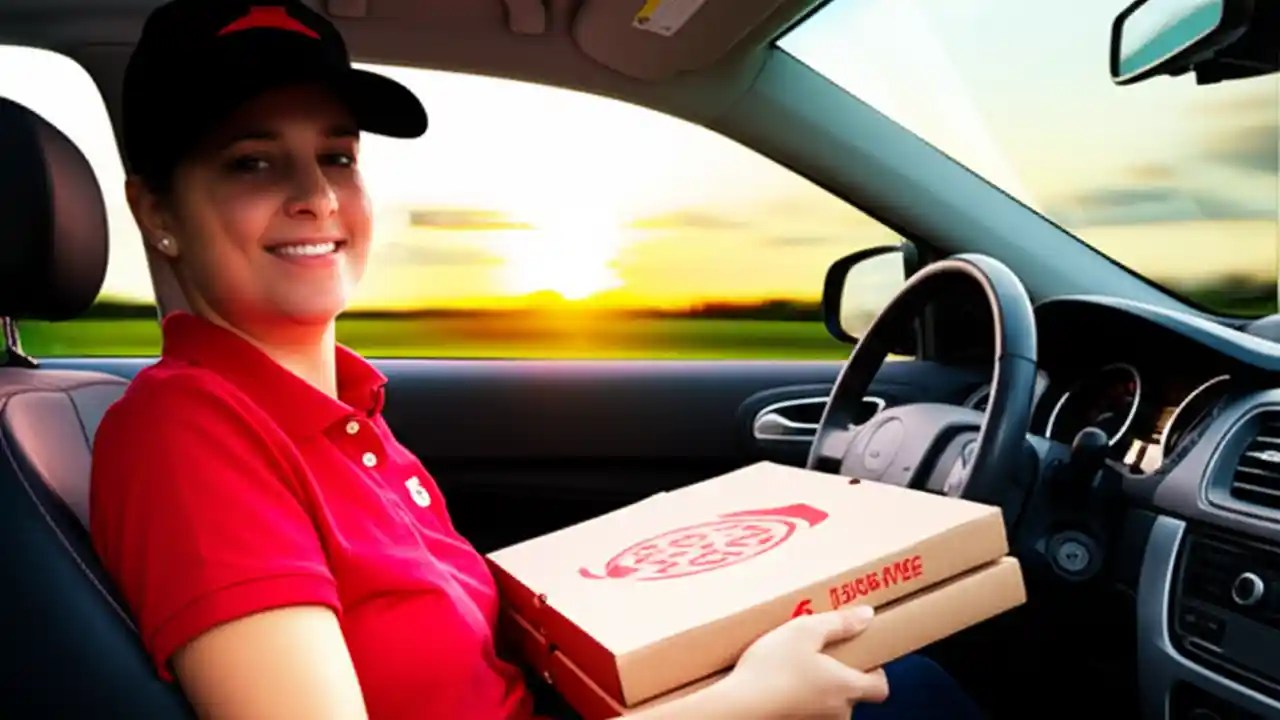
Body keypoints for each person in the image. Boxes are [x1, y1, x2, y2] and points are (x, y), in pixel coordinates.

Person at [88, 1, 988, 719]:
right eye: (252, 163)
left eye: (337, 155)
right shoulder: (187, 433)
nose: (316, 195)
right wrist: (740, 707)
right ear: (157, 212)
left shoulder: (346, 416)